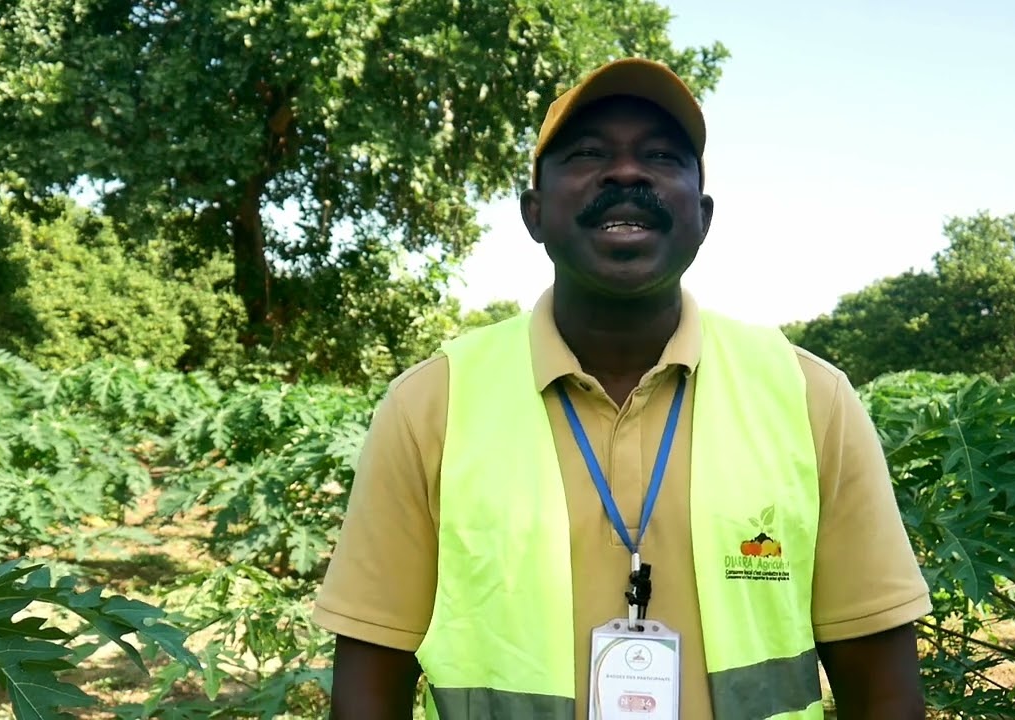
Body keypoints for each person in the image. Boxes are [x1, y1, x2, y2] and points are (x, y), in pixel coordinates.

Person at [312, 57, 931, 720]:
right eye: (587, 153)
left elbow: (882, 685)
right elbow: (370, 683)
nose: (628, 172)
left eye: (662, 155)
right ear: (534, 213)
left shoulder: (811, 400)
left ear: (703, 213)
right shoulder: (431, 405)